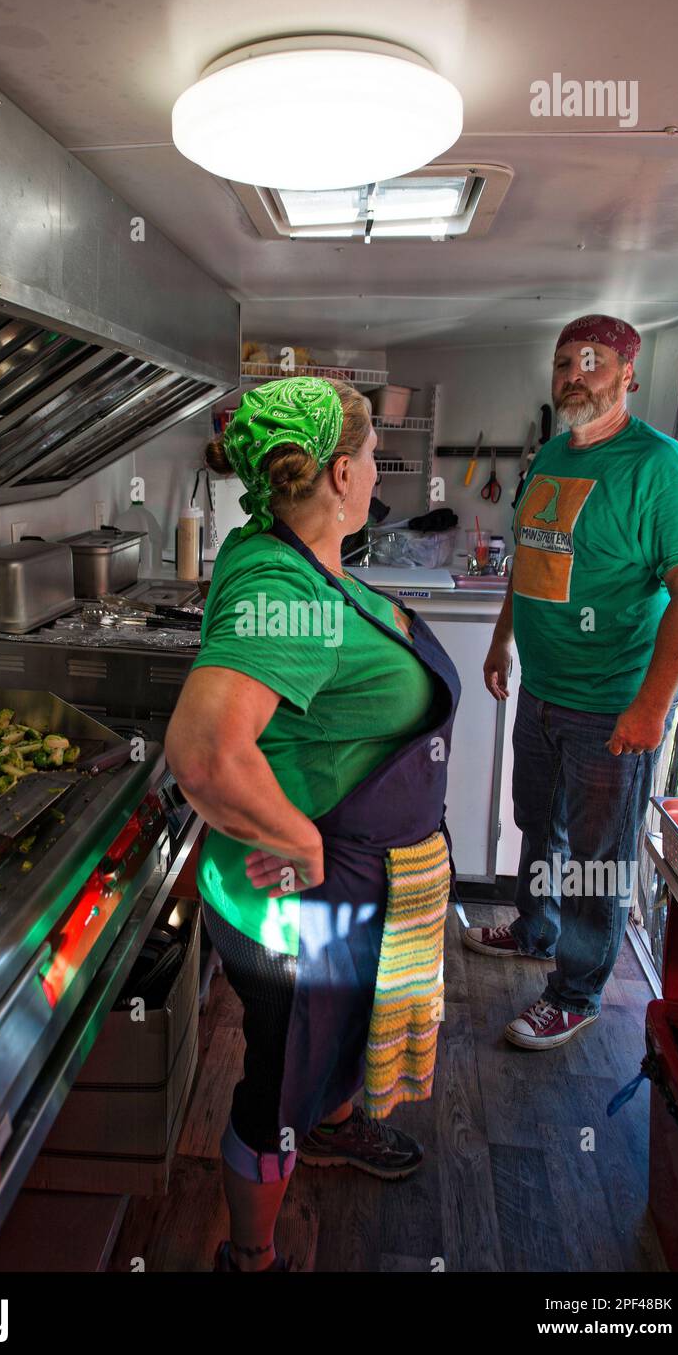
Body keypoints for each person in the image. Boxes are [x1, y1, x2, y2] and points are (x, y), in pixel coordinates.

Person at [166, 375, 460, 1271]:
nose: (377, 474)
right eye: (371, 459)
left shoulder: (293, 553)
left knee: (323, 1043)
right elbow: (209, 753)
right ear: (338, 473)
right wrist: (297, 841)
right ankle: (249, 1255)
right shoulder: (278, 583)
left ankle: (328, 1126)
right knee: (279, 1075)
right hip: (296, 901)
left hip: (346, 883)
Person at [467, 314, 678, 1048]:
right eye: (563, 363)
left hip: (611, 705)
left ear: (627, 376)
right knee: (535, 826)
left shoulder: (664, 471)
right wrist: (500, 639)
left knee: (599, 859)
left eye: (592, 362)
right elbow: (529, 557)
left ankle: (575, 992)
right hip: (541, 690)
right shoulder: (550, 456)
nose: (574, 375)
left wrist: (650, 705)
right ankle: (536, 931)